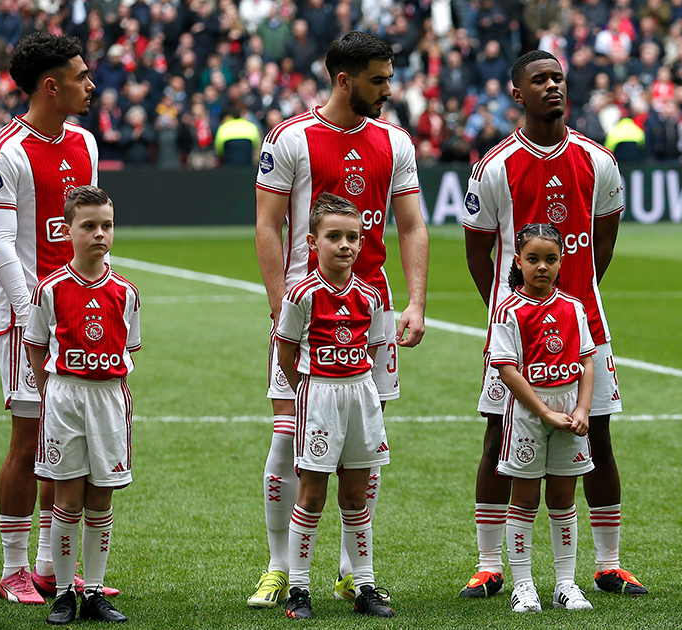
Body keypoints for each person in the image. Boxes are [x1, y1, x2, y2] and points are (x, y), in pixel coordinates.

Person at [251, 30, 428, 607]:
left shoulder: (395, 141)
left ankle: (356, 572)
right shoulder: (291, 137)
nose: (388, 88)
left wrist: (416, 301)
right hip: (307, 309)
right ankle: (280, 568)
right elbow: (268, 225)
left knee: (363, 449)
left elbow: (411, 226)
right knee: (287, 443)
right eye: (378, 78)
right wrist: (283, 306)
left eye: (389, 76)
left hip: (370, 313)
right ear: (344, 79)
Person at [462, 50, 646, 600]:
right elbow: (478, 255)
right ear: (517, 93)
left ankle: (608, 564)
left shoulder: (599, 160)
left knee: (599, 437)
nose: (552, 86)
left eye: (558, 78)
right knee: (499, 437)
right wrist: (512, 311)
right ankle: (490, 566)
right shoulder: (494, 166)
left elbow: (603, 243)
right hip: (515, 329)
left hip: (584, 324)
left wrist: (573, 301)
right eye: (539, 80)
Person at [0, 32, 118, 604]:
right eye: (82, 77)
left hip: (85, 316)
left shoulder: (85, 143)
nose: (92, 85)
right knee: (28, 439)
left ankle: (48, 566)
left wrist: (102, 298)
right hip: (30, 317)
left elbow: (92, 229)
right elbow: (2, 246)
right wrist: (39, 313)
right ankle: (13, 567)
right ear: (52, 85)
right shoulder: (3, 152)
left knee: (72, 444)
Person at [273, 193, 395, 620]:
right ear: (312, 242)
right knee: (311, 495)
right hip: (319, 395)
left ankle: (364, 584)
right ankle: (299, 590)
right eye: (335, 236)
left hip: (361, 395)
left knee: (356, 495)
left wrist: (369, 398)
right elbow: (285, 352)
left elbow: (377, 351)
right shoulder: (301, 294)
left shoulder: (370, 297)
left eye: (353, 237)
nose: (345, 245)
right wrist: (305, 391)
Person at [24, 186, 139, 624]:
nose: (99, 234)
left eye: (106, 226)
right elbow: (36, 346)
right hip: (64, 396)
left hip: (109, 396)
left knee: (101, 497)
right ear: (66, 231)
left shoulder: (125, 292)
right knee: (67, 498)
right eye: (88, 226)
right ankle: (64, 593)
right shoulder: (50, 289)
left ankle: (93, 592)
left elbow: (130, 347)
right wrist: (50, 389)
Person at [491, 223, 597, 614]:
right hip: (529, 414)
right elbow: (508, 371)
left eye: (550, 259)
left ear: (561, 262)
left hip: (569, 412)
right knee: (524, 499)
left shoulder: (573, 307)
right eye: (533, 259)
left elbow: (587, 361)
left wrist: (582, 409)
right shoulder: (509, 311)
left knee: (564, 498)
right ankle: (524, 585)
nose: (542, 267)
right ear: (518, 261)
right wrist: (545, 412)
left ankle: (565, 584)